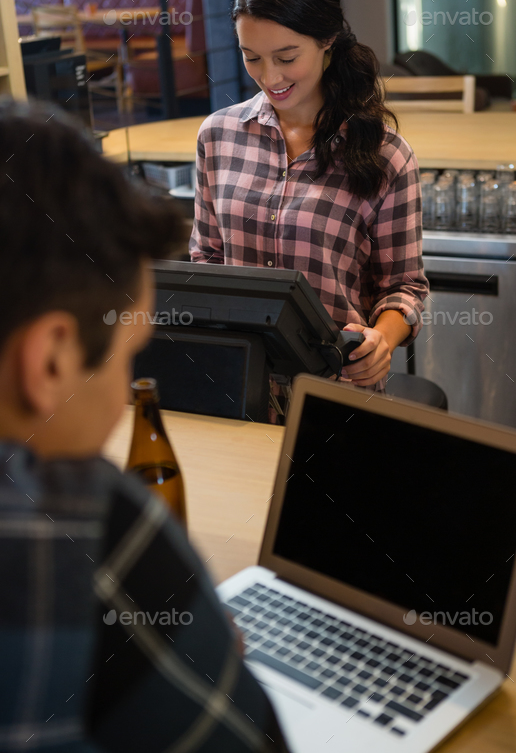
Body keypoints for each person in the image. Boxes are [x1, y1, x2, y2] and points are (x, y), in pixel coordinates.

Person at [0, 100, 289, 753]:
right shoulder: (96, 536)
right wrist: (200, 655)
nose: (124, 396)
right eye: (130, 357)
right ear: (49, 361)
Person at [190, 0, 429, 397]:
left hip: (335, 391)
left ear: (327, 42)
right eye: (252, 57)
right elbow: (206, 259)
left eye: (286, 56)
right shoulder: (216, 137)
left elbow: (404, 287)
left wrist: (384, 337)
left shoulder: (386, 156)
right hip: (236, 385)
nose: (269, 76)